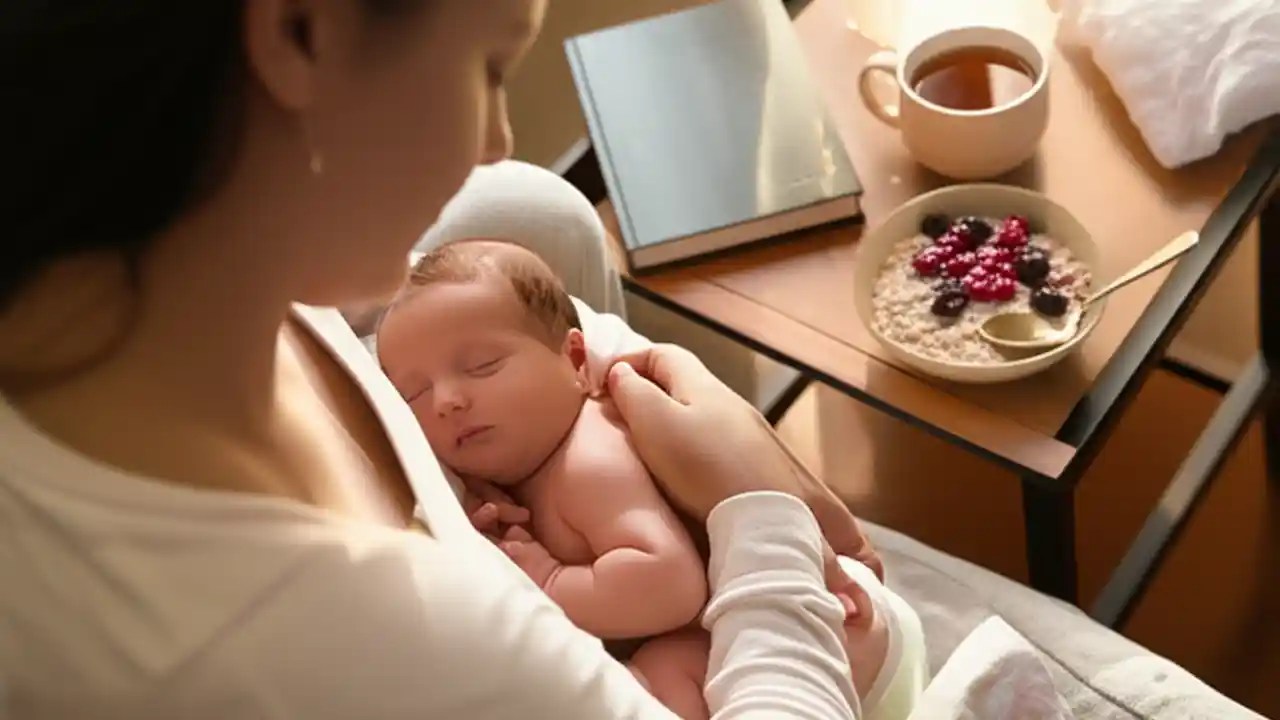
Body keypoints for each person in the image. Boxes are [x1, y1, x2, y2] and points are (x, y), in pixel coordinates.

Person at [0, 2, 880, 718]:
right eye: (490, 66)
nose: (497, 132)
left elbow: (539, 331)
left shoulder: (214, 278)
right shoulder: (391, 639)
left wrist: (631, 370)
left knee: (536, 210)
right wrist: (757, 509)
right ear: (302, 32)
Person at [376, 239, 929, 720]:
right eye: (414, 394)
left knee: (658, 675)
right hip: (797, 630)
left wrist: (546, 580)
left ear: (575, 360)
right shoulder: (538, 466)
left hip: (831, 634)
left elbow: (667, 585)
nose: (448, 400)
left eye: (482, 366)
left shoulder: (591, 459)